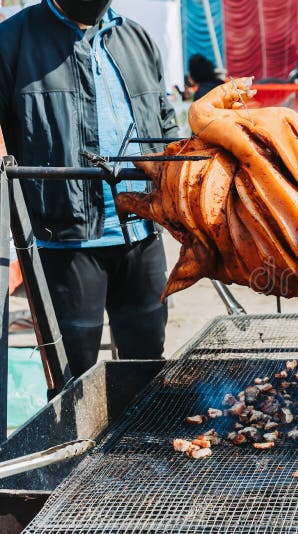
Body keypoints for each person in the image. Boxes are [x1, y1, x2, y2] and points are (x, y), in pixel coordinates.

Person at [0, 0, 178, 377]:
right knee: (73, 374)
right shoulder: (13, 40)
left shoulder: (137, 39)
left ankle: (137, 438)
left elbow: (164, 122)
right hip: (64, 239)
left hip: (141, 232)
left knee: (146, 364)